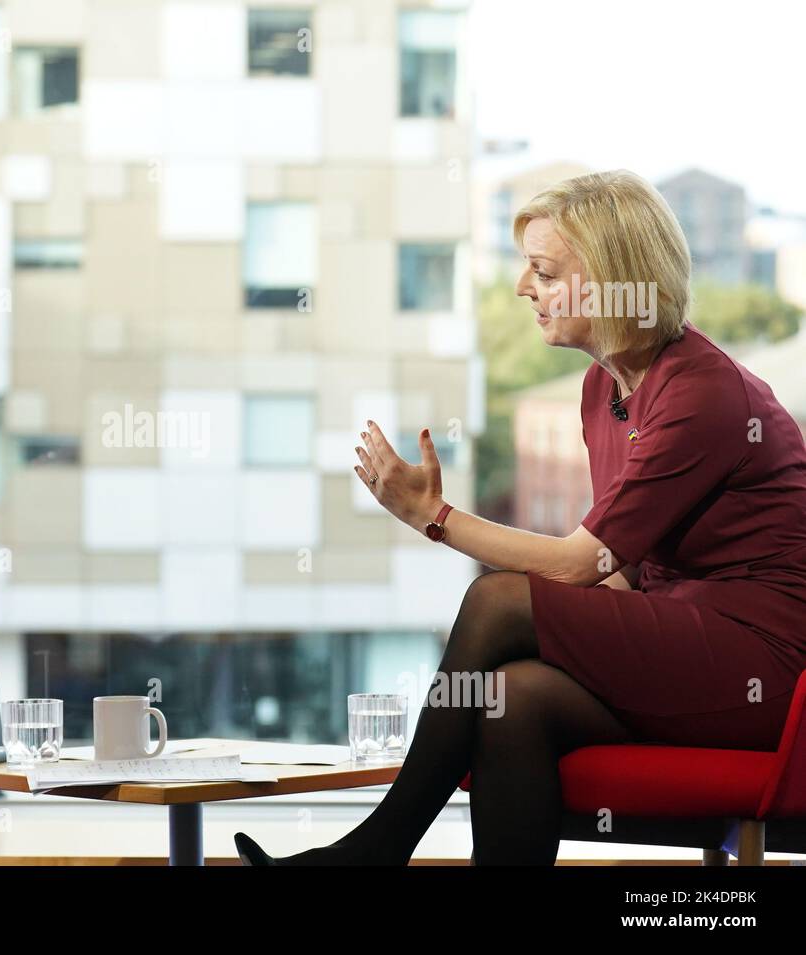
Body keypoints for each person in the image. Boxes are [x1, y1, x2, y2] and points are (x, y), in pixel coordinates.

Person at [235, 169, 806, 865]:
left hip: (766, 666)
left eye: (543, 270)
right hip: (690, 642)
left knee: (498, 597)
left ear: (609, 278)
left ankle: (378, 847)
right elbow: (618, 573)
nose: (521, 288)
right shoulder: (605, 389)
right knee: (511, 699)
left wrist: (433, 515)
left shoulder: (703, 393)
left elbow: (578, 562)